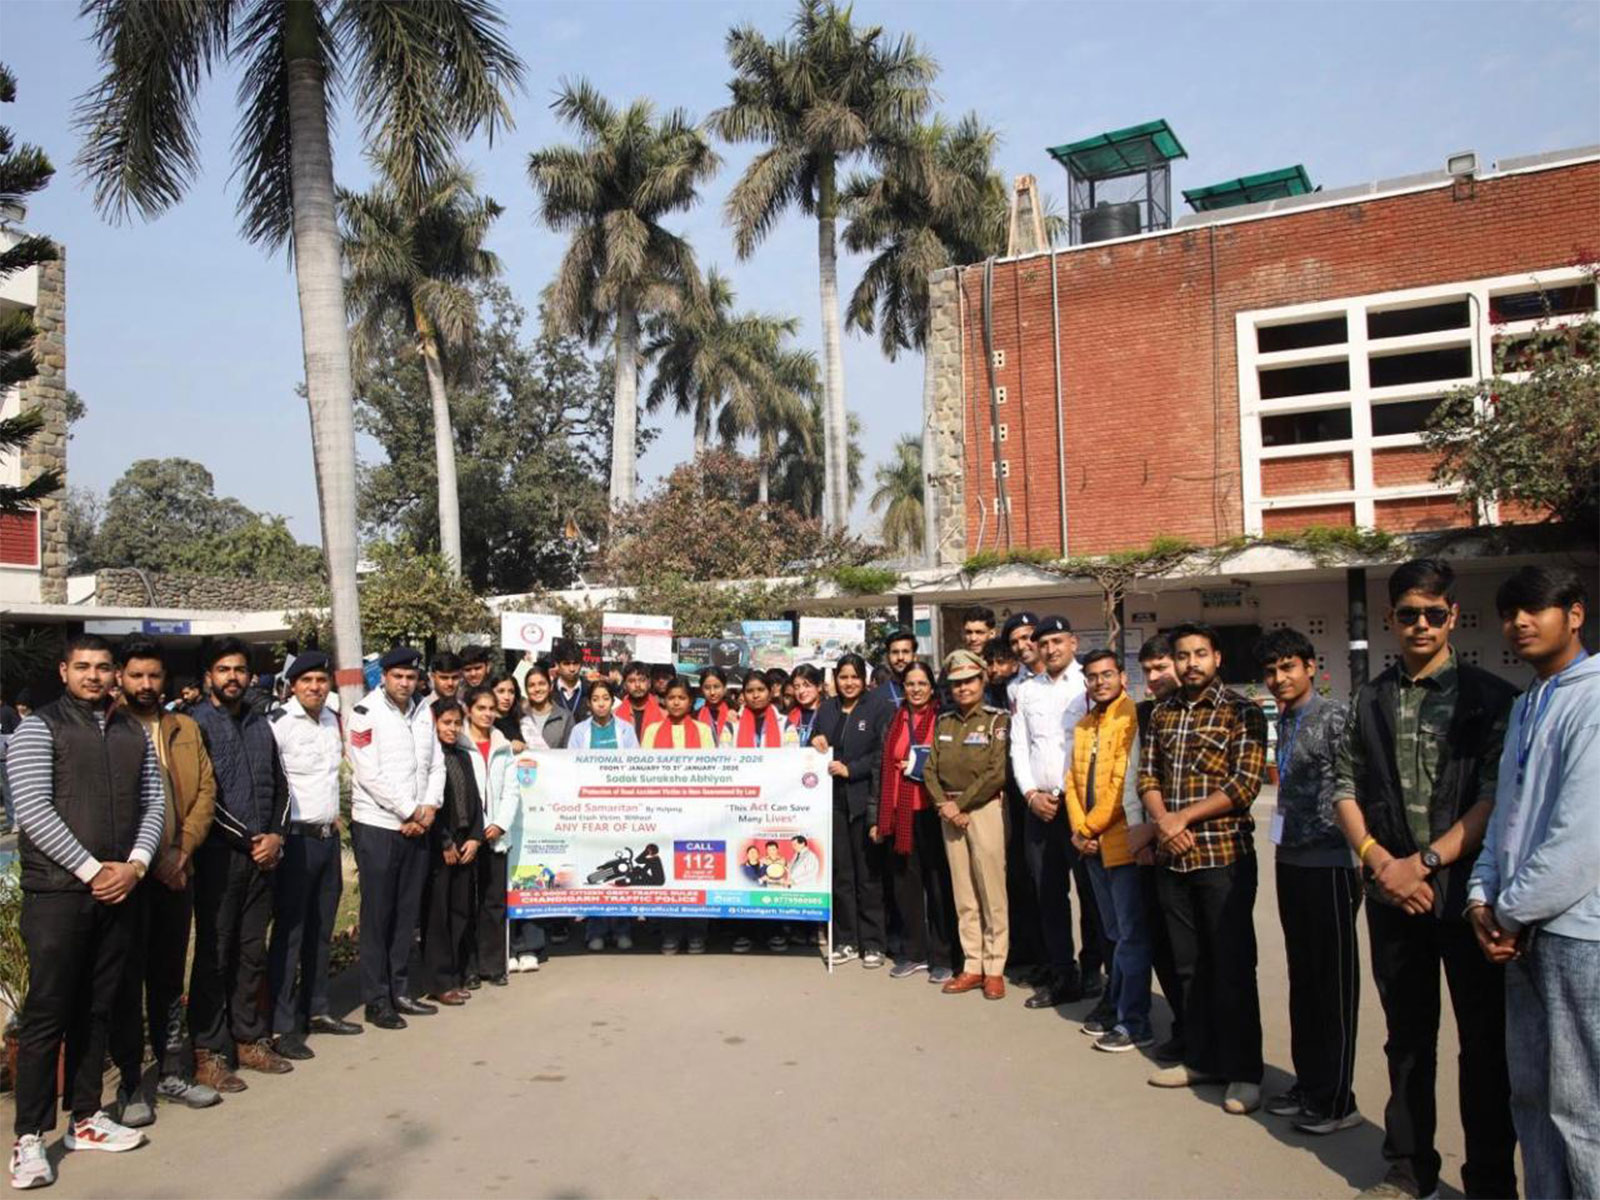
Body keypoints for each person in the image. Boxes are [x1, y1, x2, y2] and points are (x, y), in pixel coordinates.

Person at [1332, 559, 1518, 1200]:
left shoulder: (1492, 699)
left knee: (1484, 1047)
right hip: (1393, 896)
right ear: (1390, 619)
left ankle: (1490, 1180)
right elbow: (1345, 787)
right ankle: (1410, 1168)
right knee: (1407, 1041)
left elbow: (1493, 796)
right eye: (1408, 614)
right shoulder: (1369, 697)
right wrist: (1383, 863)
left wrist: (1429, 862)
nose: (1420, 625)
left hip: (1467, 896)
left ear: (1452, 618)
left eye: (1432, 614)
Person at [8, 635, 166, 1189]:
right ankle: (29, 1135)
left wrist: (137, 864)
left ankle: (85, 1118)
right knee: (49, 1013)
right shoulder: (39, 727)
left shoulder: (129, 731)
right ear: (64, 670)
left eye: (103, 668)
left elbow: (155, 800)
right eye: (84, 667)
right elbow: (33, 808)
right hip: (58, 894)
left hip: (120, 890)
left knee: (97, 1008)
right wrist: (91, 869)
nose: (95, 676)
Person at [1468, 565, 1597, 1200]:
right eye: (1510, 611)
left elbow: (1581, 839)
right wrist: (1480, 897)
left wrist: (1507, 914)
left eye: (1536, 608)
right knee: (1532, 1098)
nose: (1519, 622)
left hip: (1577, 935)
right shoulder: (1528, 703)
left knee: (1584, 1112)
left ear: (1574, 614)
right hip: (1519, 931)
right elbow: (1506, 815)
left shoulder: (1595, 697)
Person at [1140, 622, 1267, 1115]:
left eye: (1200, 654)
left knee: (1232, 966)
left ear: (1217, 657)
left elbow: (1245, 783)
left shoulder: (1243, 711)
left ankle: (1243, 1072)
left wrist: (1179, 818)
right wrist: (1162, 821)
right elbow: (1148, 775)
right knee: (1188, 966)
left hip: (1223, 857)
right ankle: (1201, 1057)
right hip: (1174, 859)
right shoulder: (1163, 714)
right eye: (1183, 655)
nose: (1191, 663)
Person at [108, 640, 220, 1124]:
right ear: (121, 678)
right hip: (129, 877)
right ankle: (131, 1085)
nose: (146, 685)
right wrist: (147, 861)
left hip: (178, 871)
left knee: (169, 978)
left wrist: (181, 851)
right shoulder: (108, 729)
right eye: (137, 676)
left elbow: (205, 792)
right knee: (127, 981)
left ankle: (173, 1072)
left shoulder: (185, 728)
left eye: (154, 676)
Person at [1253, 628, 1361, 1134]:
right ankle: (1309, 1082)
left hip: (1334, 865)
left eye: (1288, 667)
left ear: (1311, 667)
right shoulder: (1289, 719)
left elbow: (1353, 786)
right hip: (1292, 861)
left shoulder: (1335, 717)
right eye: (1271, 671)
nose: (1279, 678)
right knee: (1303, 981)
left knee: (1333, 984)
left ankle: (1338, 1099)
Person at [188, 638, 293, 1087]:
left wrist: (276, 835)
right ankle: (209, 1050)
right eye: (224, 669)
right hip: (220, 858)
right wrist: (251, 839)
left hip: (263, 858)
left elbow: (282, 786)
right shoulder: (195, 725)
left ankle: (249, 1038)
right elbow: (203, 797)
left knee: (253, 951)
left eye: (240, 670)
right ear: (209, 676)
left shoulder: (260, 724)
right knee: (215, 951)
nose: (233, 677)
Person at [264, 651, 362, 1064]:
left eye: (322, 681)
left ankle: (316, 1007)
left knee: (321, 927)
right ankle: (282, 1024)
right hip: (294, 841)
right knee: (291, 932)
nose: (316, 687)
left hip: (325, 837)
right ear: (292, 685)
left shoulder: (329, 720)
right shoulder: (279, 725)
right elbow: (271, 782)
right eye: (307, 681)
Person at [1009, 614, 1105, 1011]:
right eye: (1042, 642)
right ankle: (1060, 972)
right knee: (1048, 893)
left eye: (1057, 642)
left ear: (1073, 643)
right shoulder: (1026, 691)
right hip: (1038, 806)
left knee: (1090, 893)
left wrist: (1066, 794)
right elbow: (1020, 745)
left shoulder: (1089, 684)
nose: (1049, 649)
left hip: (1078, 806)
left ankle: (1091, 971)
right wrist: (1030, 793)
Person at [349, 646, 445, 1031]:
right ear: (384, 677)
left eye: (410, 677)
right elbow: (368, 772)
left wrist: (429, 807)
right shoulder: (364, 714)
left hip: (418, 824)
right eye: (398, 677)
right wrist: (408, 810)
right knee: (378, 915)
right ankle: (376, 999)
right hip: (378, 826)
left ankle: (401, 990)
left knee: (406, 914)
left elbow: (435, 763)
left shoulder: (424, 710)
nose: (405, 683)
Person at [1066, 648, 1151, 1053]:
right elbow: (1071, 781)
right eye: (1093, 676)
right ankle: (1117, 1005)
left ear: (1121, 676)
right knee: (1113, 933)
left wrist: (1089, 826)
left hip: (1121, 843)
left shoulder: (1131, 717)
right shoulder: (1084, 725)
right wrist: (1080, 831)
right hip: (1090, 845)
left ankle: (1135, 1022)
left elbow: (1123, 784)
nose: (1100, 682)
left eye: (1107, 674)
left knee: (1131, 934)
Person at [925, 650, 1011, 1000]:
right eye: (956, 683)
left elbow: (997, 771)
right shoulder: (944, 722)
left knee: (992, 892)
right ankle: (972, 964)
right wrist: (945, 806)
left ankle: (994, 968)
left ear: (982, 680)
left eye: (969, 681)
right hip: (949, 811)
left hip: (983, 809)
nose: (962, 688)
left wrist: (960, 805)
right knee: (964, 894)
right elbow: (929, 769)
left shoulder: (996, 720)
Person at [870, 660, 959, 983]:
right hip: (899, 813)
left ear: (932, 687)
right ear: (902, 688)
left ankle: (943, 955)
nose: (916, 690)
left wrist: (921, 763)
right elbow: (881, 769)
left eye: (922, 684)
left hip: (932, 813)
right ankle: (914, 952)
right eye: (910, 684)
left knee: (938, 888)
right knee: (905, 887)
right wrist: (876, 816)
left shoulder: (943, 719)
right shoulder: (894, 720)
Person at [1123, 634, 1188, 1062]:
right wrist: (1140, 830)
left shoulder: (1213, 711)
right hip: (1151, 843)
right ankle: (1185, 1027)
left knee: (1199, 950)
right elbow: (1135, 776)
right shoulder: (1144, 715)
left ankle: (1210, 1034)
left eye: (1162, 666)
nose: (1155, 677)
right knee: (1163, 943)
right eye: (1147, 670)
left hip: (1197, 842)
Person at [813, 655, 889, 968]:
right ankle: (846, 940)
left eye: (854, 677)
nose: (848, 683)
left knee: (868, 875)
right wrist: (814, 739)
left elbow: (881, 753)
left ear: (864, 679)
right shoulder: (827, 709)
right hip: (831, 802)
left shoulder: (879, 707)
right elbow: (814, 747)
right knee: (841, 874)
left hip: (863, 799)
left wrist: (851, 770)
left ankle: (873, 943)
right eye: (843, 677)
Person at [420, 700, 484, 1006]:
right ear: (433, 723)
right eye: (446, 723)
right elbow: (429, 804)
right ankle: (439, 981)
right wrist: (444, 843)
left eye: (457, 723)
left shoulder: (463, 756)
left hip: (465, 842)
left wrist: (474, 838)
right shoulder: (429, 758)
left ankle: (456, 973)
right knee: (438, 915)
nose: (452, 729)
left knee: (461, 910)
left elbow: (474, 800)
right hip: (439, 845)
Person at [568, 680, 638, 951]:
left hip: (620, 808)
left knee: (621, 869)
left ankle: (622, 928)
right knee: (595, 870)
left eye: (605, 698)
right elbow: (571, 766)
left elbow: (636, 765)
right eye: (595, 698)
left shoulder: (626, 730)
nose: (600, 703)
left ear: (612, 702)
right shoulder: (578, 731)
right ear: (589, 703)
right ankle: (595, 928)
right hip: (591, 809)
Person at [459, 686, 520, 982]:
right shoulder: (458, 743)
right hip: (468, 836)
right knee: (466, 904)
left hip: (495, 835)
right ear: (469, 709)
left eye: (491, 709)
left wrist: (499, 824)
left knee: (494, 902)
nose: (487, 714)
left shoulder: (502, 745)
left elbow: (511, 791)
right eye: (481, 708)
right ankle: (468, 967)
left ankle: (493, 966)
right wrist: (476, 827)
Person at [521, 664, 577, 753]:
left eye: (542, 684)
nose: (537, 689)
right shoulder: (519, 716)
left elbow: (570, 753)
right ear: (526, 690)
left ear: (550, 686)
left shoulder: (565, 717)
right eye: (531, 685)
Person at [1002, 611, 1041, 709]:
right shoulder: (1014, 687)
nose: (1020, 646)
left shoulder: (1070, 674)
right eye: (1014, 642)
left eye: (1025, 637)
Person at [615, 663, 664, 741]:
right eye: (631, 681)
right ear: (624, 685)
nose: (637, 685)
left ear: (649, 683)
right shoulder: (615, 715)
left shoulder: (663, 714)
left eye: (642, 680)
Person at [786, 664, 824, 746]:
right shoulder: (790, 716)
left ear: (819, 686)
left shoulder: (830, 713)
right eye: (797, 687)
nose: (801, 691)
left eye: (807, 685)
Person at [877, 628, 917, 706]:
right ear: (888, 657)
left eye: (905, 652)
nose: (900, 657)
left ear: (915, 657)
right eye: (895, 652)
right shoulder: (877, 697)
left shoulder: (930, 694)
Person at [551, 643, 588, 718]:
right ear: (557, 665)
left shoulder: (591, 690)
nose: (572, 669)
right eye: (566, 664)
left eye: (575, 663)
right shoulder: (549, 691)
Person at [982, 637, 1017, 709]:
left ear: (1014, 665)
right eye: (990, 663)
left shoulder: (1024, 691)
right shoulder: (984, 694)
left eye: (1001, 662)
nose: (994, 669)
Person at [491, 674, 525, 749]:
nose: (507, 697)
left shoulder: (523, 721)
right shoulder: (485, 724)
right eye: (501, 691)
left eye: (511, 692)